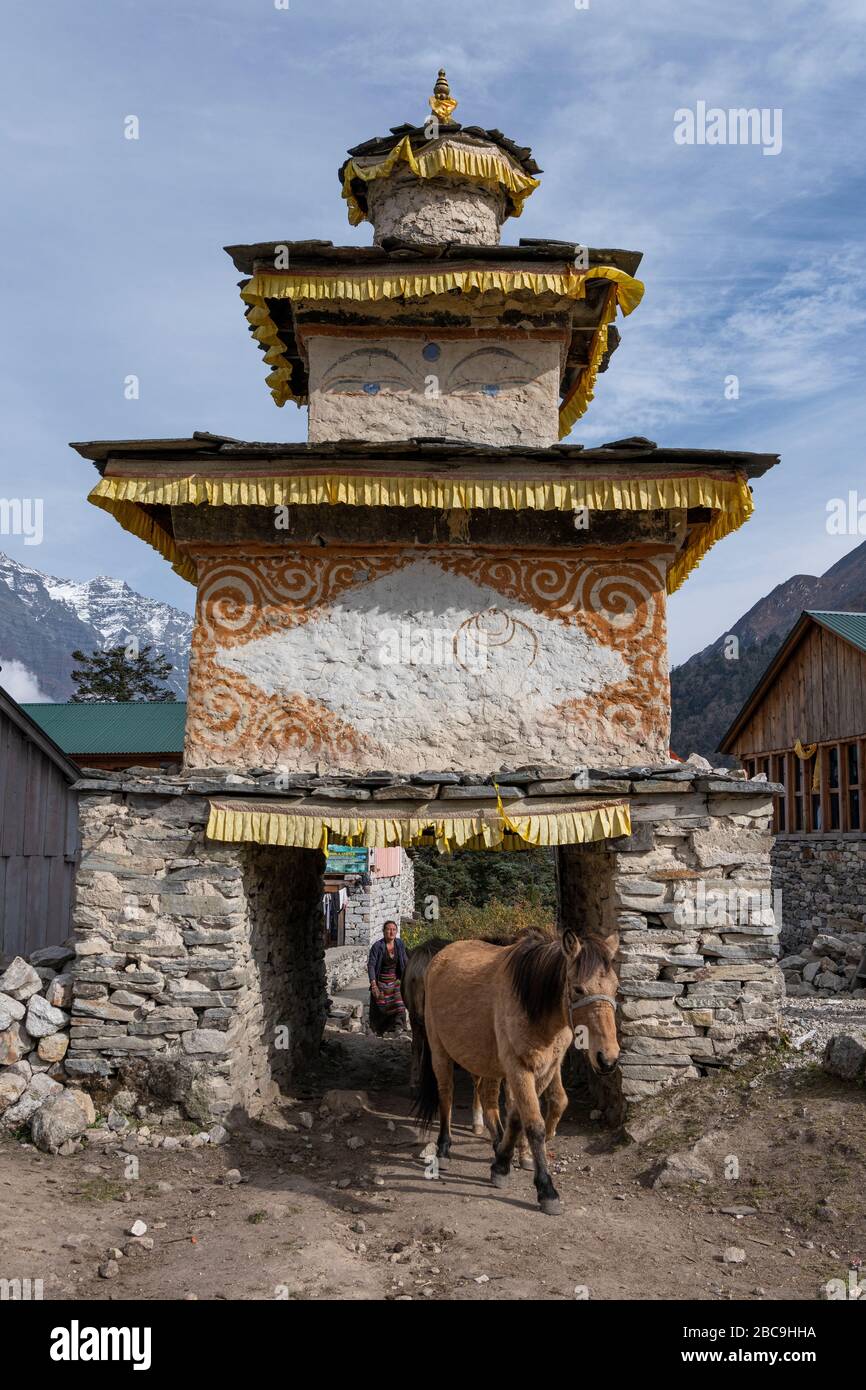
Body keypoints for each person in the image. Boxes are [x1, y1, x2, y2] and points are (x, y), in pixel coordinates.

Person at [367, 920, 408, 1035]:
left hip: (395, 980)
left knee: (400, 1003)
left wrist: (407, 977)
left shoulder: (399, 944)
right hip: (381, 981)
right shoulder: (377, 946)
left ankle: (399, 1028)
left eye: (394, 929)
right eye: (388, 929)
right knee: (381, 1006)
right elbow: (371, 965)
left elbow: (405, 961)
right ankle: (379, 1030)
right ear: (384, 931)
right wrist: (373, 984)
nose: (391, 932)